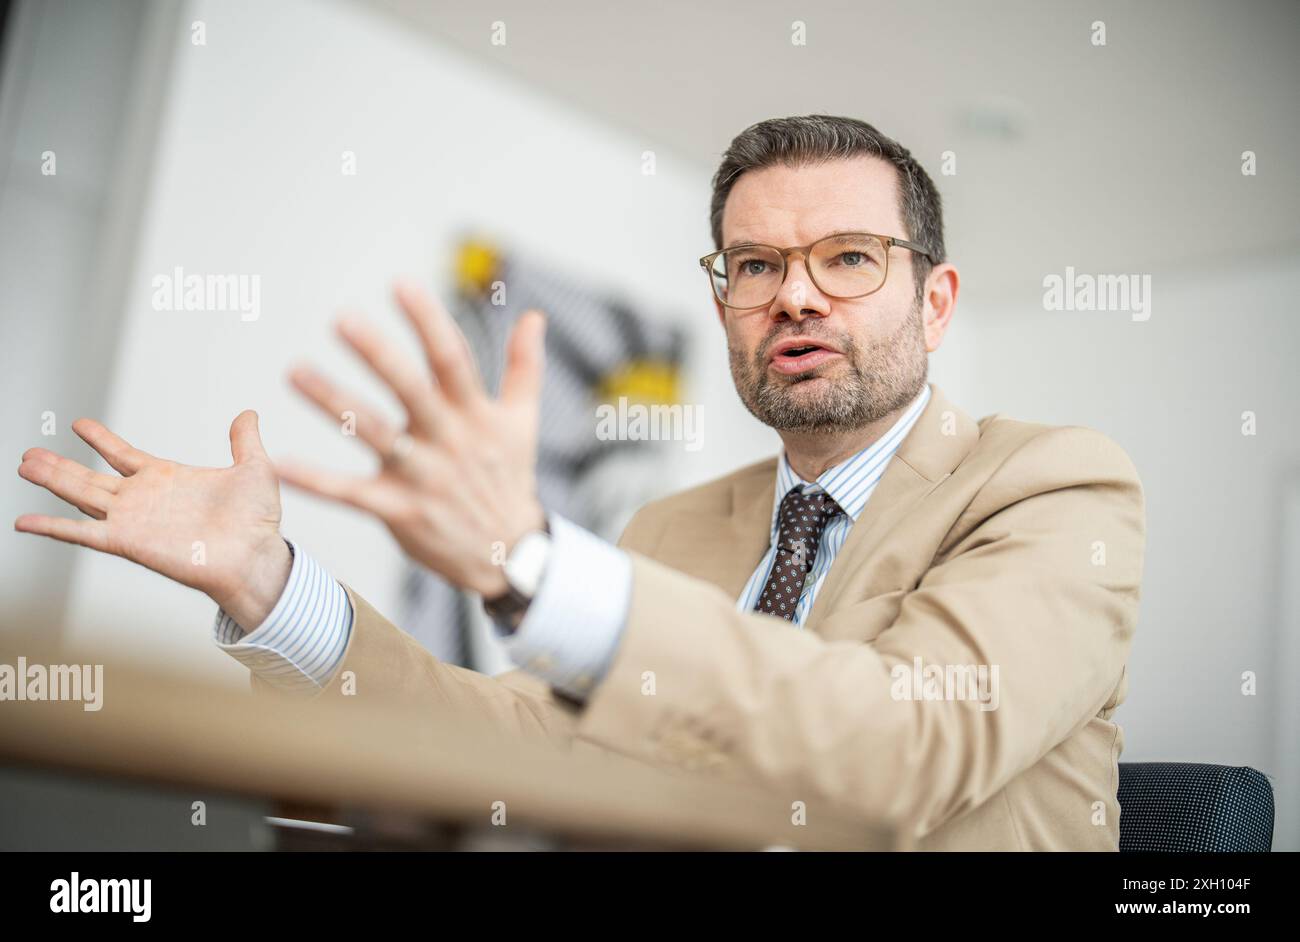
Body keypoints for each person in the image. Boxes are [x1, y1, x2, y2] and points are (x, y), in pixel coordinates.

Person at [15, 115, 1145, 850]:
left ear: (935, 301)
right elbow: (510, 737)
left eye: (847, 257)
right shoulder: (673, 525)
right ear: (724, 306)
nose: (794, 296)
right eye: (755, 265)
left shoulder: (1053, 488)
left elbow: (904, 752)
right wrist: (275, 590)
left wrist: (542, 568)